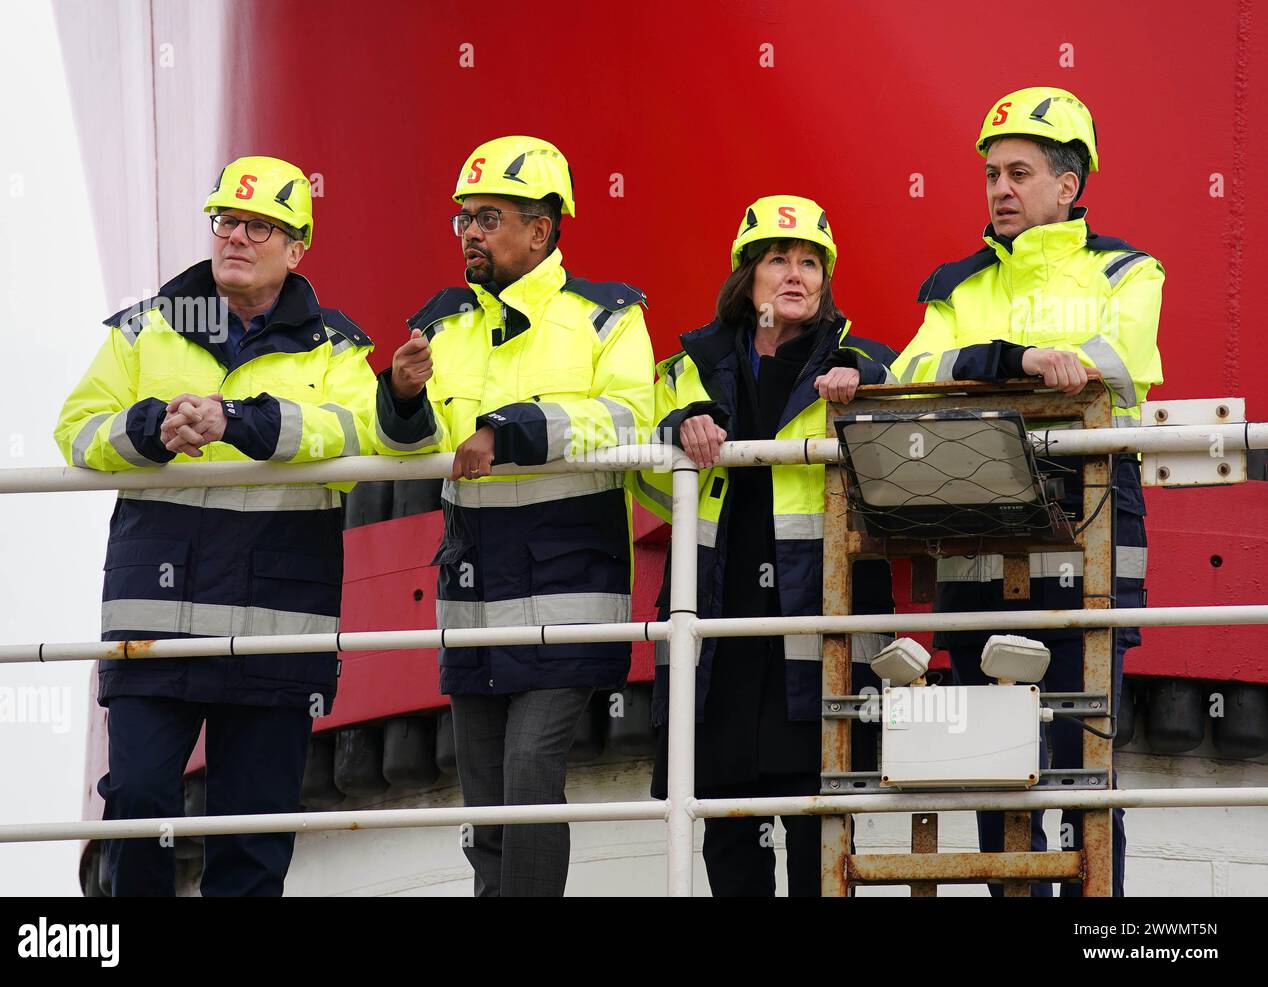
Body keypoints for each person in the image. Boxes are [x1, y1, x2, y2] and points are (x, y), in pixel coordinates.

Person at [54, 155, 382, 896]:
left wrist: (241, 421)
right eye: (226, 221)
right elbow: (75, 430)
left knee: (254, 838)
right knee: (137, 804)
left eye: (258, 225)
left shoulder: (339, 347)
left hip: (274, 628)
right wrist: (149, 428)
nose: (235, 236)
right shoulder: (143, 329)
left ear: (296, 248)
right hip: (152, 624)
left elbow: (359, 435)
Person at [892, 87, 1164, 896]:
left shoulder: (1128, 269)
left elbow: (1123, 363)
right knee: (991, 781)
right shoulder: (955, 284)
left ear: (1068, 186)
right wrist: (1016, 359)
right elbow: (911, 374)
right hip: (978, 563)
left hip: (1090, 559)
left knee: (1087, 777)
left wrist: (1005, 366)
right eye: (990, 175)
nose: (999, 189)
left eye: (1018, 172)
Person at [372, 135, 655, 896]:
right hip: (473, 600)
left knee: (530, 777)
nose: (469, 231)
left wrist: (510, 431)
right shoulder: (439, 326)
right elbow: (414, 446)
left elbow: (628, 418)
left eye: (488, 217)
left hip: (569, 594)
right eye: (462, 218)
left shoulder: (609, 319)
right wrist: (398, 398)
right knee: (487, 799)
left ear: (542, 228)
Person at [633, 195, 898, 896]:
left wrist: (864, 389)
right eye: (778, 257)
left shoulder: (861, 362)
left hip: (813, 639)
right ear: (746, 275)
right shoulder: (689, 367)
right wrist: (677, 429)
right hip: (719, 640)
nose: (795, 273)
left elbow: (909, 428)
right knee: (729, 837)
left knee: (820, 838)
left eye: (811, 261)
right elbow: (640, 466)